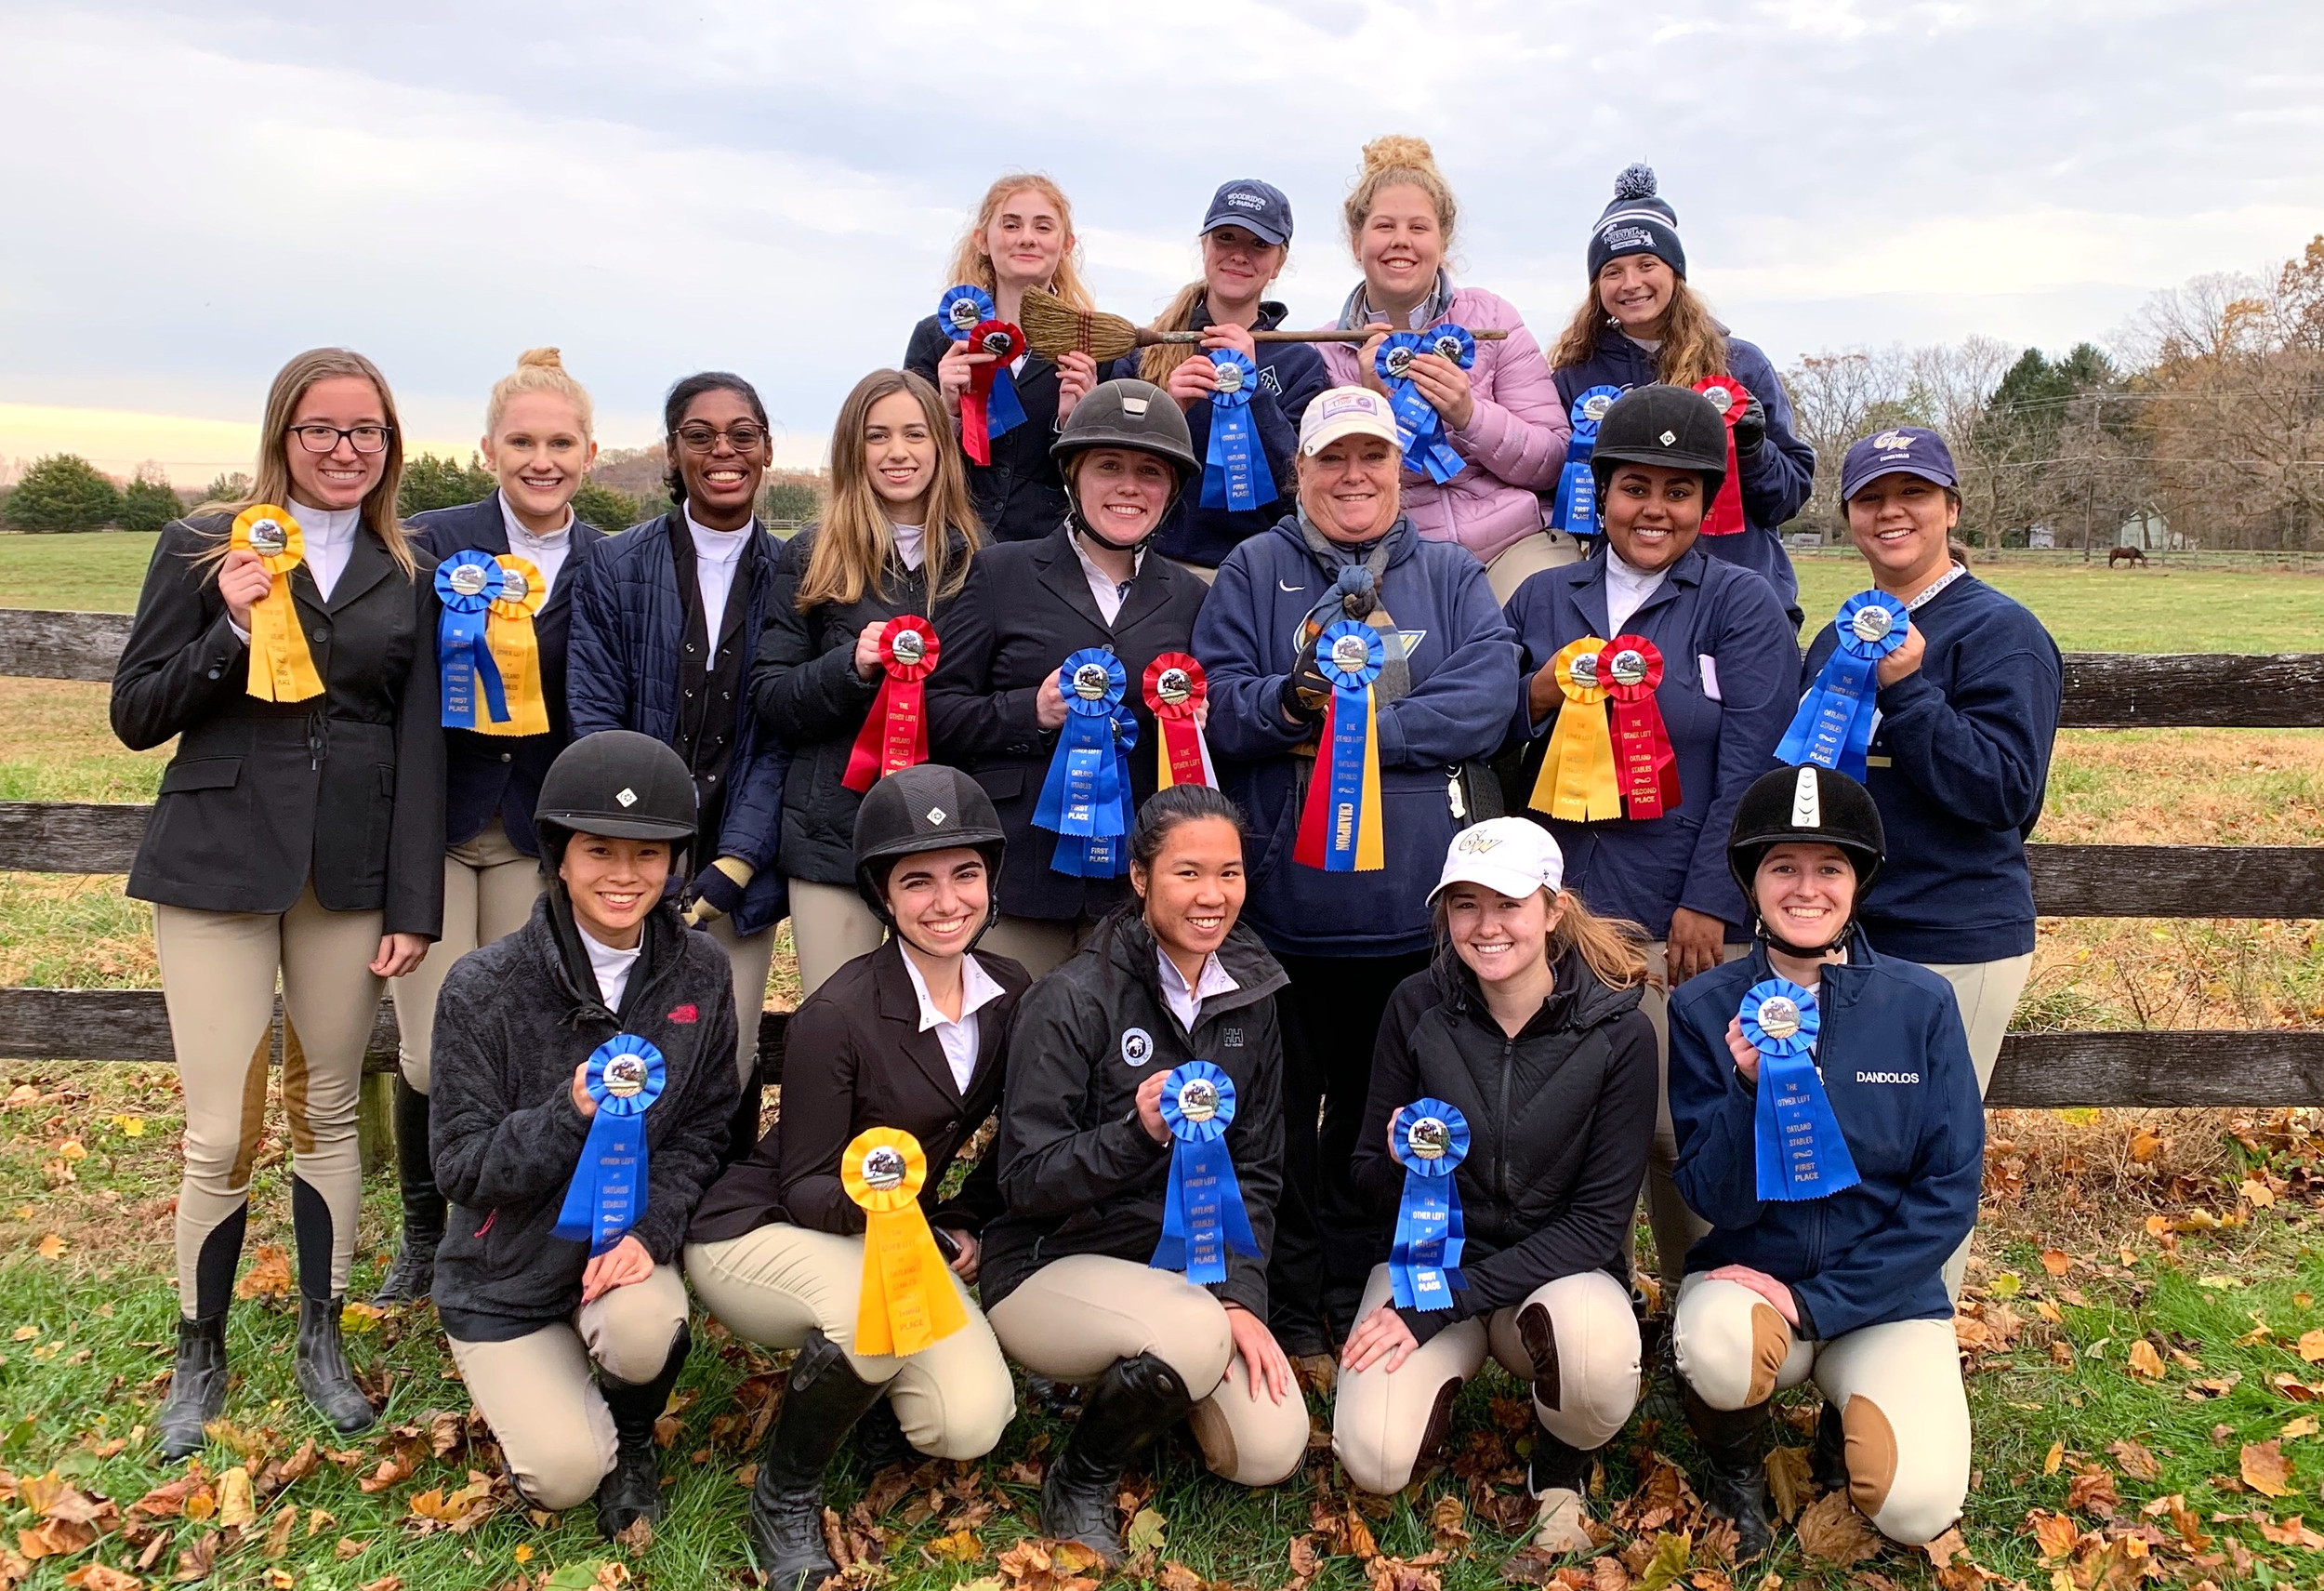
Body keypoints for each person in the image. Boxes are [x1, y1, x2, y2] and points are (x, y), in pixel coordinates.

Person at [111, 349, 443, 1456]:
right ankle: (198, 1350)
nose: (345, 450)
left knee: (330, 1109)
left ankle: (321, 1336)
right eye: (322, 430)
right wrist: (229, 631)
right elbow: (136, 712)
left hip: (345, 878)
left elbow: (418, 746)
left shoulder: (408, 567)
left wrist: (412, 900)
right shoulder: (202, 545)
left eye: (366, 431)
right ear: (282, 436)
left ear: (390, 444)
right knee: (220, 1130)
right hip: (217, 864)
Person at [1194, 385, 1518, 1356]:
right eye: (1331, 458)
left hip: (1414, 921)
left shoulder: (1451, 573)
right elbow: (1217, 704)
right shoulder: (1252, 569)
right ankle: (1291, 1307)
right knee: (1281, 1124)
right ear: (1299, 470)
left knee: (1390, 1126)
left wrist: (1362, 729)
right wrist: (1289, 707)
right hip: (1284, 920)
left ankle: (1368, 1291)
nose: (1352, 476)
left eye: (1371, 456)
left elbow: (1487, 699)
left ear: (1399, 467)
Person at [687, 763, 1024, 1588]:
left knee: (971, 1418)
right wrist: (903, 1221)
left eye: (965, 874)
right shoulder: (835, 1014)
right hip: (760, 1230)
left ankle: (870, 1405)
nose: (946, 902)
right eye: (918, 882)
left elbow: (1012, 1136)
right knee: (872, 1314)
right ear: (882, 893)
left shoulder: (1010, 991)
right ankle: (784, 1494)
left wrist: (961, 1222)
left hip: (885, 1238)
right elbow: (804, 1185)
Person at [1500, 385, 1797, 1293]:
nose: (1654, 509)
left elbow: (1754, 762)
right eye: (1635, 487)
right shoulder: (1542, 597)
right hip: (1559, 911)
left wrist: (1711, 896)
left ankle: (1704, 1299)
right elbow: (1487, 731)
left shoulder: (1741, 604)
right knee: (1566, 1123)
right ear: (1602, 494)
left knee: (1678, 1126)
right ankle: (1584, 1301)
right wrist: (1535, 694)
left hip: (1678, 914)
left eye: (1678, 491)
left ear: (1705, 503)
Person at [983, 786, 1309, 1562]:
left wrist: (1240, 1296)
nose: (1212, 896)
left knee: (1269, 1448)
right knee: (1193, 1331)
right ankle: (1080, 1477)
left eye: (1228, 873)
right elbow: (1023, 1179)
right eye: (1187, 872)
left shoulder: (1254, 993)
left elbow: (1257, 1170)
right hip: (1052, 1261)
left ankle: (1153, 1391)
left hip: (1186, 1271)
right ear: (1139, 877)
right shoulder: (1071, 997)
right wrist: (1136, 1134)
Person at [429, 731, 739, 1536]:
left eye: (648, 853)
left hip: (620, 1251)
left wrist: (651, 1229)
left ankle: (633, 1437)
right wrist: (568, 1113)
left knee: (643, 1329)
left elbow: (706, 1126)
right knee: (563, 1475)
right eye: (599, 850)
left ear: (674, 862)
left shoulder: (703, 972)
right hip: (505, 1275)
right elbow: (459, 1165)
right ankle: (556, 1385)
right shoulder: (481, 986)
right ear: (559, 857)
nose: (624, 874)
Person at [1667, 765, 1981, 1556]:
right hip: (1755, 1284)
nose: (1806, 889)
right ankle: (1735, 1472)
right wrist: (1746, 1091)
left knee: (1917, 1506)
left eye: (1829, 868)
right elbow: (1710, 1194)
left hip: (1883, 1301)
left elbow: (1947, 1193)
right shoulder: (1702, 1008)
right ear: (1752, 882)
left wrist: (1821, 1302)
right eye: (1783, 866)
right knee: (1718, 1345)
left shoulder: (1923, 1005)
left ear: (1858, 882)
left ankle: (1849, 1419)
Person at [1334, 819, 1653, 1550]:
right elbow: (1362, 1180)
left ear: (1553, 909)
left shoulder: (1622, 1032)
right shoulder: (1413, 1005)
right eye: (1465, 904)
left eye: (1508, 903)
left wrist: (1443, 1304)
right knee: (1374, 1456)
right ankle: (1434, 1400)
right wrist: (1395, 1162)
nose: (1486, 926)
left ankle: (1559, 1467)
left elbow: (1597, 1227)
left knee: (1596, 1362)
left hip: (1555, 1276)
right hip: (1428, 1262)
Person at [376, 348, 609, 1305]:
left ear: (589, 453)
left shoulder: (608, 560)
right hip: (435, 826)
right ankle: (422, 1229)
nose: (541, 460)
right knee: (431, 1050)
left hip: (530, 832)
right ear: (488, 450)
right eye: (522, 442)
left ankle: (501, 1225)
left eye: (560, 443)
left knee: (516, 1043)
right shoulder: (429, 543)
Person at [1809, 425, 2060, 1293]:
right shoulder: (1836, 639)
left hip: (1955, 935)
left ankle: (1917, 1332)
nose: (1892, 512)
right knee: (1850, 1143)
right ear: (1849, 516)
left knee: (1929, 1151)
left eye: (1913, 493)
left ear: (1951, 508)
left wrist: (1911, 691)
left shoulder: (2000, 631)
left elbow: (2006, 794)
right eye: (1871, 497)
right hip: (1845, 940)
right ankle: (1841, 1329)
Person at [924, 379, 1208, 977]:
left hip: (1135, 885)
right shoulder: (999, 573)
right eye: (1109, 466)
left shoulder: (1191, 597)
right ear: (1072, 476)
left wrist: (1196, 725)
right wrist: (1030, 710)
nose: (1129, 486)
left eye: (1150, 472)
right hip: (1019, 873)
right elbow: (936, 711)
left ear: (1171, 491)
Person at [568, 373, 789, 1131]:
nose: (723, 450)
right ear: (672, 452)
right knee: (613, 1061)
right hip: (625, 864)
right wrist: (642, 849)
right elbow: (595, 718)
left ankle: (721, 1202)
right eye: (700, 435)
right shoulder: (614, 564)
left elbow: (781, 734)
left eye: (742, 433)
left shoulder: (797, 575)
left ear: (766, 449)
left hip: (741, 868)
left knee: (726, 1059)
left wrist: (736, 862)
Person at [754, 368, 984, 997]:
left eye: (914, 433)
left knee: (940, 1029)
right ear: (852, 449)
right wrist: (849, 667)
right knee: (836, 1021)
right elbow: (772, 697)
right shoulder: (811, 555)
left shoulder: (981, 561)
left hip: (944, 840)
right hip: (832, 840)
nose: (896, 452)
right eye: (877, 435)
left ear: (940, 445)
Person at [1547, 165, 1816, 617]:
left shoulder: (1742, 364)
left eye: (1646, 265)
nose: (1631, 284)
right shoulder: (1575, 375)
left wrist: (1754, 451)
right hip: (1624, 602)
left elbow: (1786, 499)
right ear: (1596, 286)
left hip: (1738, 597)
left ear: (1675, 272)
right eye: (1612, 271)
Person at [1314, 136, 1571, 601]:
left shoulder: (1494, 319)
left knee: (1552, 610)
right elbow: (1321, 489)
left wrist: (1470, 416)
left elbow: (1553, 460)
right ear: (1356, 243)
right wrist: (1370, 412)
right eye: (1384, 226)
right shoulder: (1324, 350)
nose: (1401, 241)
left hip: (1513, 546)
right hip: (1394, 557)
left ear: (1442, 242)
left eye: (1419, 227)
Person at [1106, 179, 1327, 578]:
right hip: (1150, 568)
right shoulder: (1145, 351)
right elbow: (1110, 469)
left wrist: (1254, 393)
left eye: (1259, 244)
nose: (1239, 255)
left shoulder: (1301, 363)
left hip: (1259, 573)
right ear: (1204, 245)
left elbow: (1303, 485)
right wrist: (1168, 414)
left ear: (1279, 262)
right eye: (1226, 238)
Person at [905, 173, 1101, 544]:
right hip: (951, 541)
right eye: (1011, 225)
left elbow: (1102, 473)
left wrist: (1076, 423)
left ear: (1066, 245)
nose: (1026, 237)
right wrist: (947, 412)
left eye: (1043, 227)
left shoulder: (1090, 346)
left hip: (1047, 551)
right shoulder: (936, 338)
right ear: (982, 240)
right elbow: (908, 457)